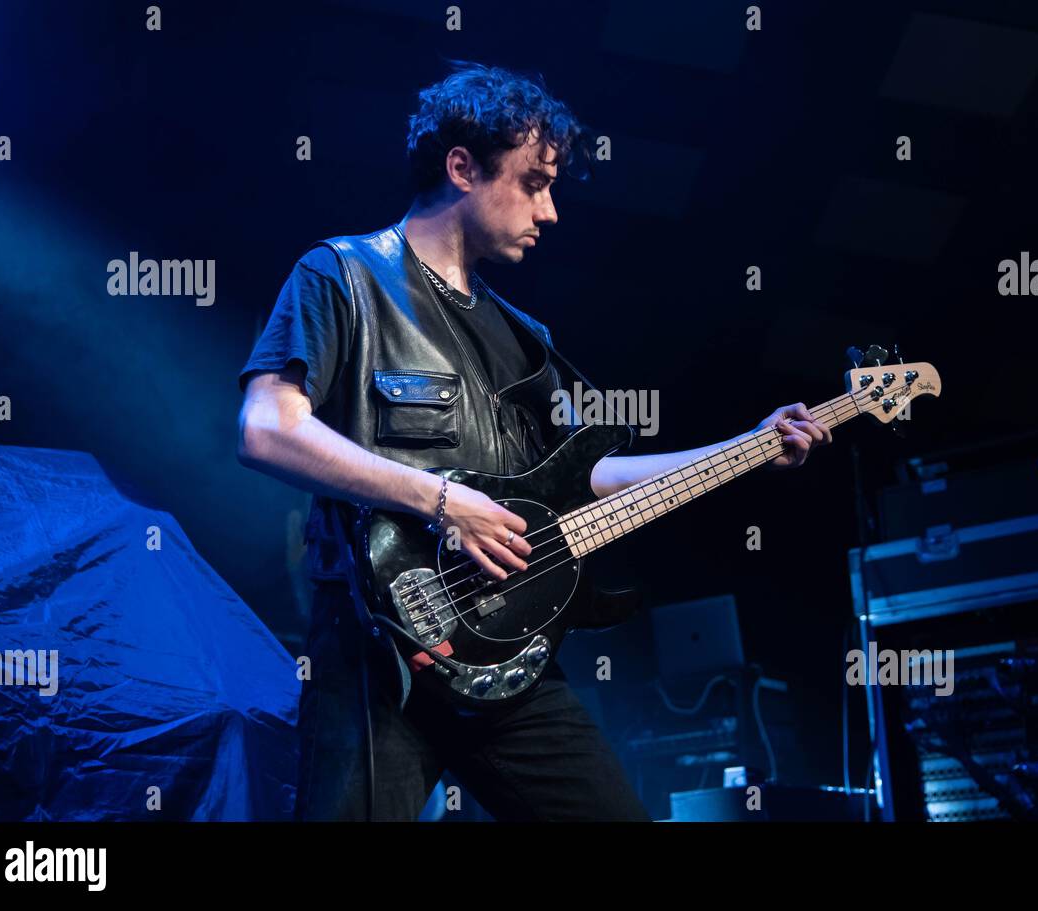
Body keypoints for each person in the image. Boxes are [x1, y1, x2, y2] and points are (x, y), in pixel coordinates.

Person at [236, 60, 831, 821]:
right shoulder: (342, 277)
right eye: (533, 182)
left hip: (512, 662)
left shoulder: (525, 338)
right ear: (461, 167)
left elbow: (589, 478)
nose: (549, 212)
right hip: (375, 653)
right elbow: (266, 428)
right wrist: (444, 500)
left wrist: (745, 448)